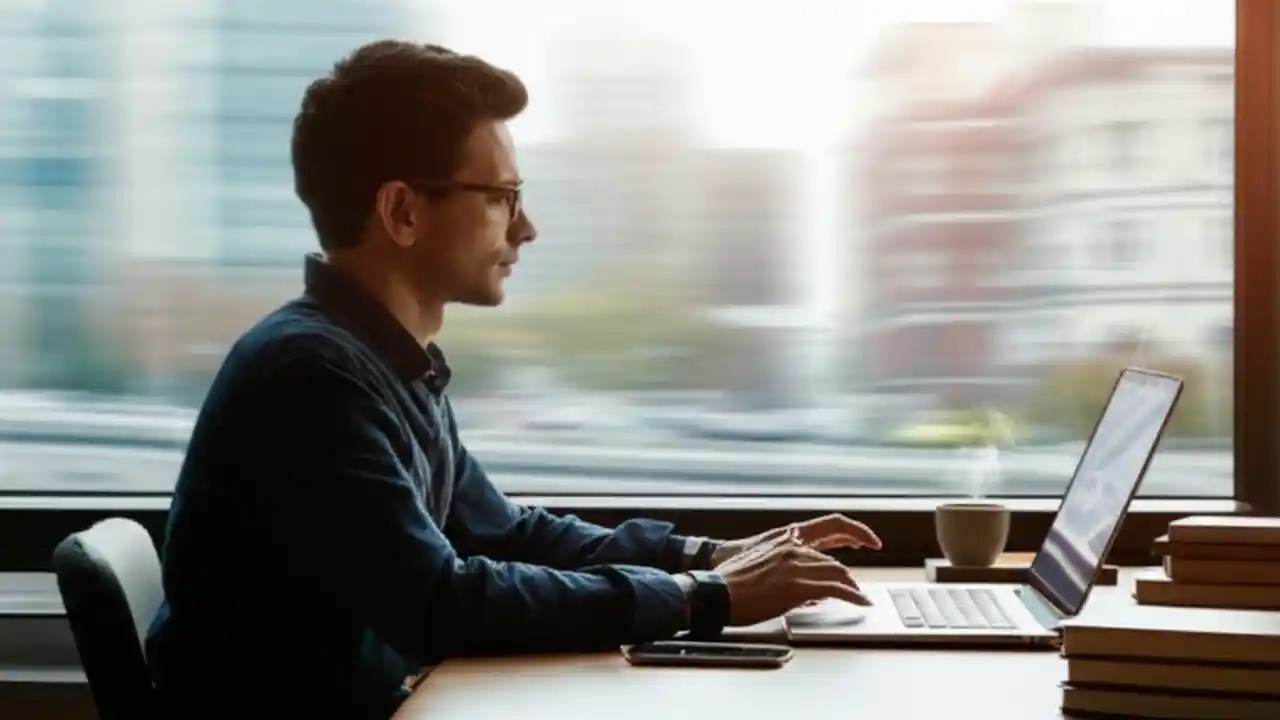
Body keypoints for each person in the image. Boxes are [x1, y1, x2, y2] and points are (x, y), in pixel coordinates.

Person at [144, 40, 882, 720]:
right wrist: (706, 599)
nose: (525, 228)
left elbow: (505, 533)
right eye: (500, 196)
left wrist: (708, 557)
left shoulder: (382, 363)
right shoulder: (311, 379)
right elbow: (443, 604)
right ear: (402, 211)